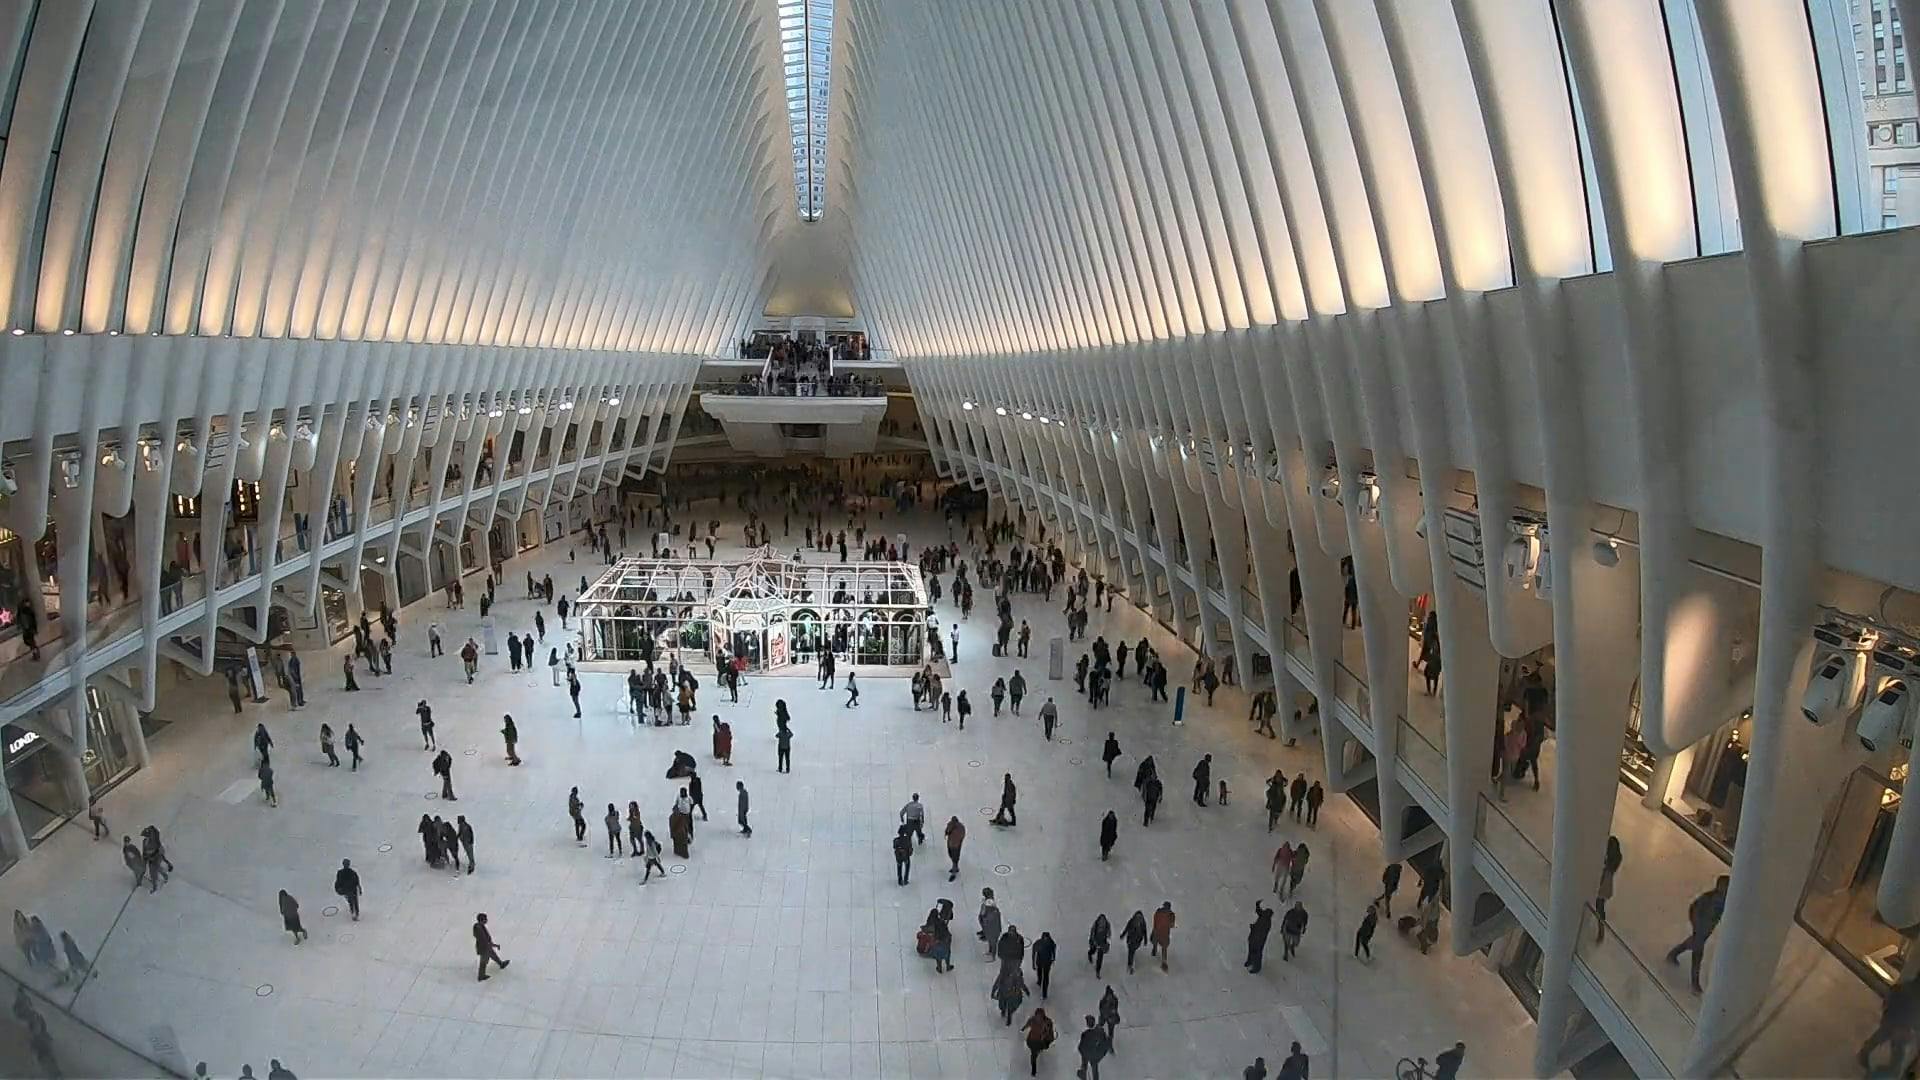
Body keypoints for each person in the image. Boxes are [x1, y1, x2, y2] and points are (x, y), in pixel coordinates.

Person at [1665, 875, 1730, 993]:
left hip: (1705, 930)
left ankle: (1673, 954)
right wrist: (1696, 924)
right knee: (1697, 953)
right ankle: (1695, 983)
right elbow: (1694, 908)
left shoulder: (1724, 901)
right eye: (1724, 886)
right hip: (1701, 928)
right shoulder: (1708, 898)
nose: (1726, 889)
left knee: (1691, 944)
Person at [1596, 835, 1623, 942]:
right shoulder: (1616, 860)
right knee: (1601, 907)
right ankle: (1601, 929)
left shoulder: (1605, 862)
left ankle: (1601, 930)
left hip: (1601, 886)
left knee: (1598, 906)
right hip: (1606, 888)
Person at [474, 912, 509, 981]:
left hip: (486, 946)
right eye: (485, 919)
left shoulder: (479, 926)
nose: (486, 920)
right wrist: (493, 945)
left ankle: (501, 964)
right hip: (484, 947)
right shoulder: (479, 928)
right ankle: (481, 976)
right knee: (484, 961)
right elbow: (484, 940)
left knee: (493, 955)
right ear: (482, 920)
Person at [1022, 1006, 1056, 1077]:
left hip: (1041, 1042)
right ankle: (1033, 1070)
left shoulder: (1047, 1022)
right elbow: (1027, 1024)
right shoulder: (1033, 1020)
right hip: (1032, 1041)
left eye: (1040, 1016)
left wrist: (1049, 1040)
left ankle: (1034, 1066)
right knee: (1033, 1055)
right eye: (1037, 1016)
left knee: (1035, 1053)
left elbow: (1050, 1032)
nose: (1038, 1018)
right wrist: (1023, 1028)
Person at [1076, 1014, 1110, 1080]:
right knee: (1095, 1069)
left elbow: (1080, 1047)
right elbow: (1106, 1045)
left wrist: (1084, 1053)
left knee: (1084, 1061)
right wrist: (1101, 1055)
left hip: (1088, 1055)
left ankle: (1084, 1072)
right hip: (1096, 1055)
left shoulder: (1085, 1034)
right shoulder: (1101, 1032)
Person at [1245, 900, 1274, 972]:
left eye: (1266, 912)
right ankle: (1249, 961)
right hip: (1253, 938)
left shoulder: (1267, 923)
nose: (1264, 912)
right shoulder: (1263, 916)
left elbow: (1261, 933)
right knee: (1251, 951)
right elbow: (1259, 911)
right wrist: (1257, 905)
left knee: (1257, 954)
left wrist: (1253, 928)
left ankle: (1257, 968)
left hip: (1258, 941)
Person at [1149, 901, 1175, 971]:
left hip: (1157, 931)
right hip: (1165, 934)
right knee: (1164, 948)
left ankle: (1154, 949)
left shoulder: (1158, 912)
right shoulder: (1171, 914)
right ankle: (1164, 962)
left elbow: (1155, 921)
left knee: (1155, 940)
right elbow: (1172, 925)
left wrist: (1155, 928)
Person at [978, 888, 1002, 960]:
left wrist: (983, 920)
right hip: (990, 930)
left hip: (993, 931)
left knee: (993, 943)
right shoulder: (994, 911)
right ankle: (990, 951)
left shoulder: (992, 914)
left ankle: (993, 955)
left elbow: (988, 920)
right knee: (991, 942)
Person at [1032, 931, 1057, 999]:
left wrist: (1053, 959)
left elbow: (1053, 952)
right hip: (1041, 962)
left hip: (1046, 963)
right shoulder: (1043, 943)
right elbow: (1034, 953)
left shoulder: (1050, 943)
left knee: (1046, 977)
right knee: (1040, 973)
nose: (1046, 939)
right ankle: (1039, 981)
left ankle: (1044, 993)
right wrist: (1033, 964)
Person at [1097, 984, 1121, 1049]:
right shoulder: (1103, 1000)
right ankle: (1099, 1040)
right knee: (1099, 1027)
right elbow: (1100, 1008)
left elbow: (1115, 1009)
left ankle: (1109, 1045)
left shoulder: (1114, 1000)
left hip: (1110, 1018)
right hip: (1105, 1016)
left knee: (1110, 1033)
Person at [944, 815, 966, 881]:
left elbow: (962, 835)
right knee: (950, 855)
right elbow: (947, 831)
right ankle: (955, 867)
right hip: (950, 843)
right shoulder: (950, 824)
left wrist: (958, 841)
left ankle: (954, 872)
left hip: (956, 845)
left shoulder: (961, 827)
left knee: (955, 858)